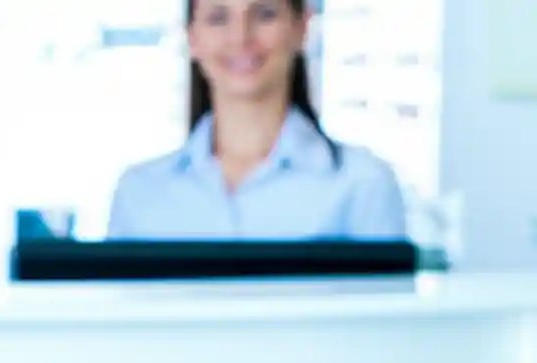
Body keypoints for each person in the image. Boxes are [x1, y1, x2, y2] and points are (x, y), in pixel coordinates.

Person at [107, 0, 407, 241]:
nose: (241, 37)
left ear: (301, 27)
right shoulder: (138, 193)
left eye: (264, 14)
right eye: (218, 18)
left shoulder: (362, 185)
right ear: (192, 37)